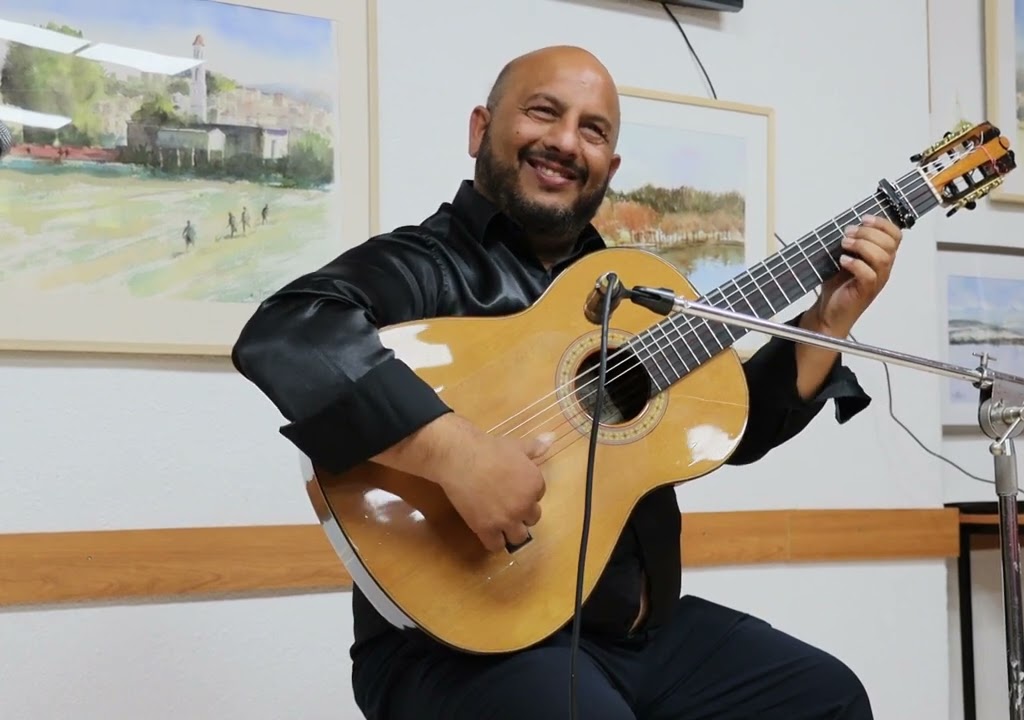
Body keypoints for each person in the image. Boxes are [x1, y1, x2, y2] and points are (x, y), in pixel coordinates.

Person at [232, 45, 904, 720]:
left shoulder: (634, 292)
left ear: (608, 168)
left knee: (826, 699)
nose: (563, 141)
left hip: (641, 638)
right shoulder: (425, 265)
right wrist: (456, 453)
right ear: (480, 130)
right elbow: (288, 333)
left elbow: (729, 426)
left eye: (593, 130)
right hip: (458, 646)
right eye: (542, 112)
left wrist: (827, 319)